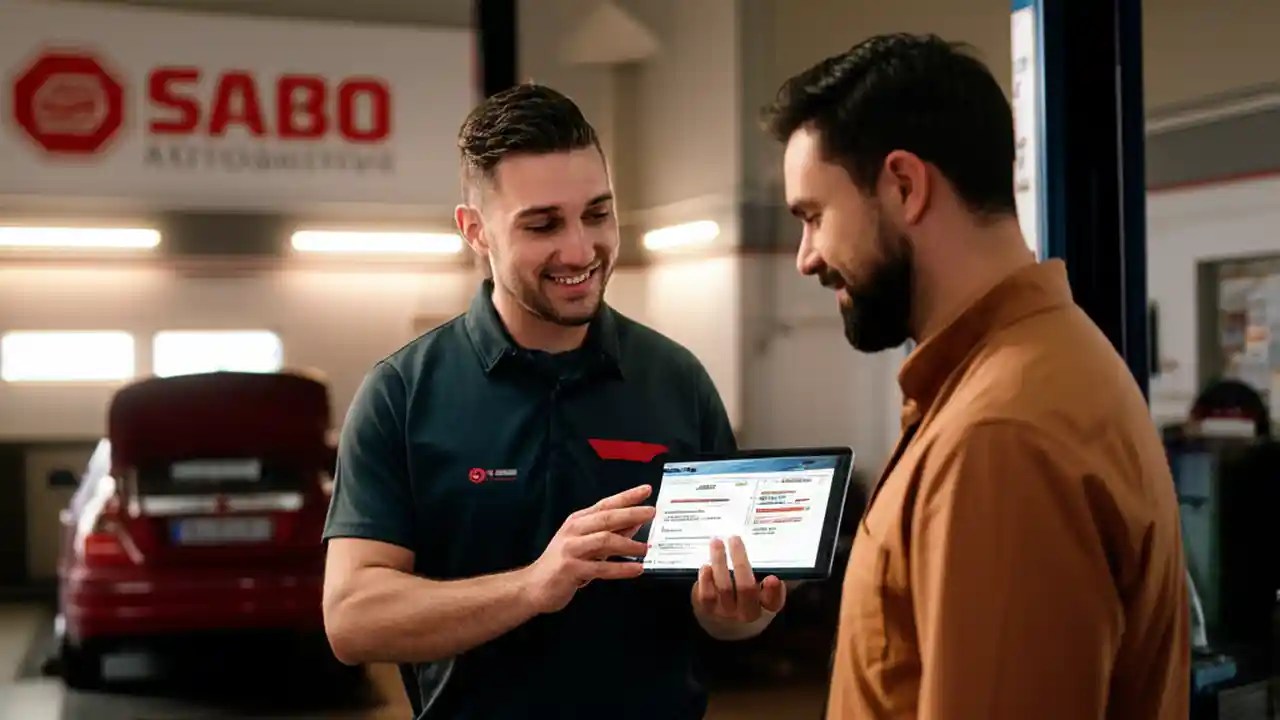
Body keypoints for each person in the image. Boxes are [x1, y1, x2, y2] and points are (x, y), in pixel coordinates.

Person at [321, 83, 786, 719]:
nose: (580, 250)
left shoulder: (677, 382)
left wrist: (735, 614)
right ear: (474, 231)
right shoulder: (402, 394)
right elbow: (352, 621)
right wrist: (533, 586)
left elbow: (727, 622)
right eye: (543, 224)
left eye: (598, 214)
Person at [762, 34, 1190, 719]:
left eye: (813, 216)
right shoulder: (1034, 369)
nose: (805, 258)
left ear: (904, 186)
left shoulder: (999, 437)